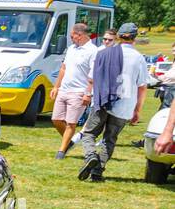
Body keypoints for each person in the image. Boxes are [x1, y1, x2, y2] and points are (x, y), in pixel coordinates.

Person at [78, 22, 148, 183]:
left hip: (102, 100)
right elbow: (142, 87)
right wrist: (137, 110)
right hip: (125, 105)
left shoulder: (104, 53)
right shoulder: (138, 58)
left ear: (118, 36)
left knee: (89, 133)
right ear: (134, 38)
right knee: (110, 139)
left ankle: (90, 156)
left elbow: (93, 78)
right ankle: (97, 170)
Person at [50, 22, 98, 159]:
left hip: (79, 91)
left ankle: (61, 151)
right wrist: (56, 86)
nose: (71, 38)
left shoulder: (93, 51)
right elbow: (63, 68)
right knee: (56, 119)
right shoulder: (71, 48)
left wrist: (88, 93)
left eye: (72, 36)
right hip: (64, 89)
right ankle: (70, 142)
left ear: (80, 35)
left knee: (71, 122)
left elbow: (93, 74)